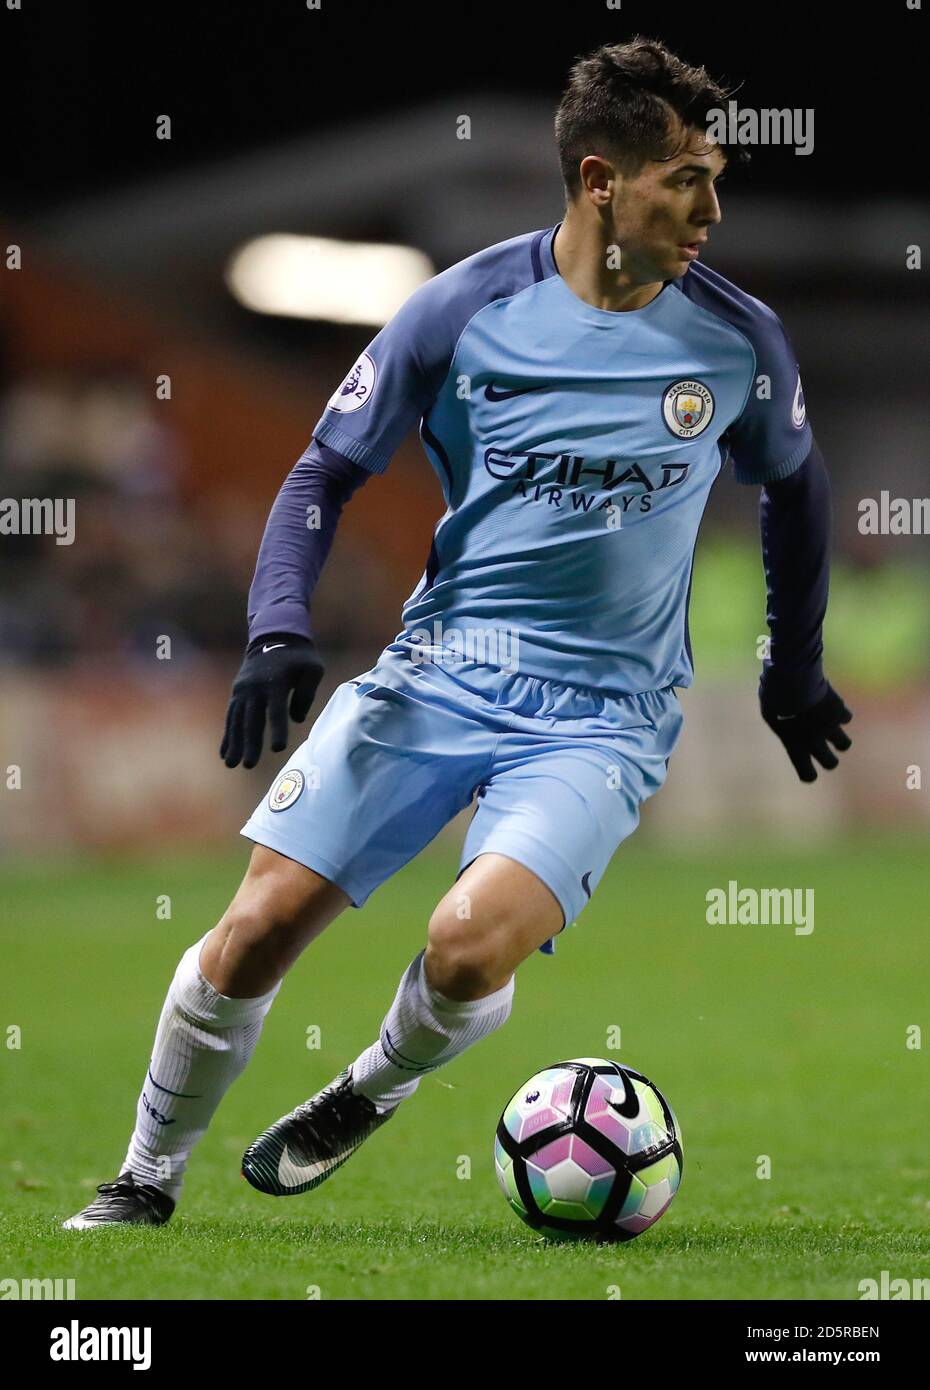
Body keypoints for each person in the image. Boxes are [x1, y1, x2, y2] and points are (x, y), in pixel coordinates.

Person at [64, 36, 851, 1228]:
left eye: (716, 175)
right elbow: (323, 470)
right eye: (684, 178)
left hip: (604, 716)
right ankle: (144, 1176)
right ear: (599, 180)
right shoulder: (465, 309)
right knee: (256, 929)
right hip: (440, 672)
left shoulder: (735, 341)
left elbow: (798, 487)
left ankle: (368, 1086)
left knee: (468, 945)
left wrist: (793, 669)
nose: (711, 207)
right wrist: (278, 626)